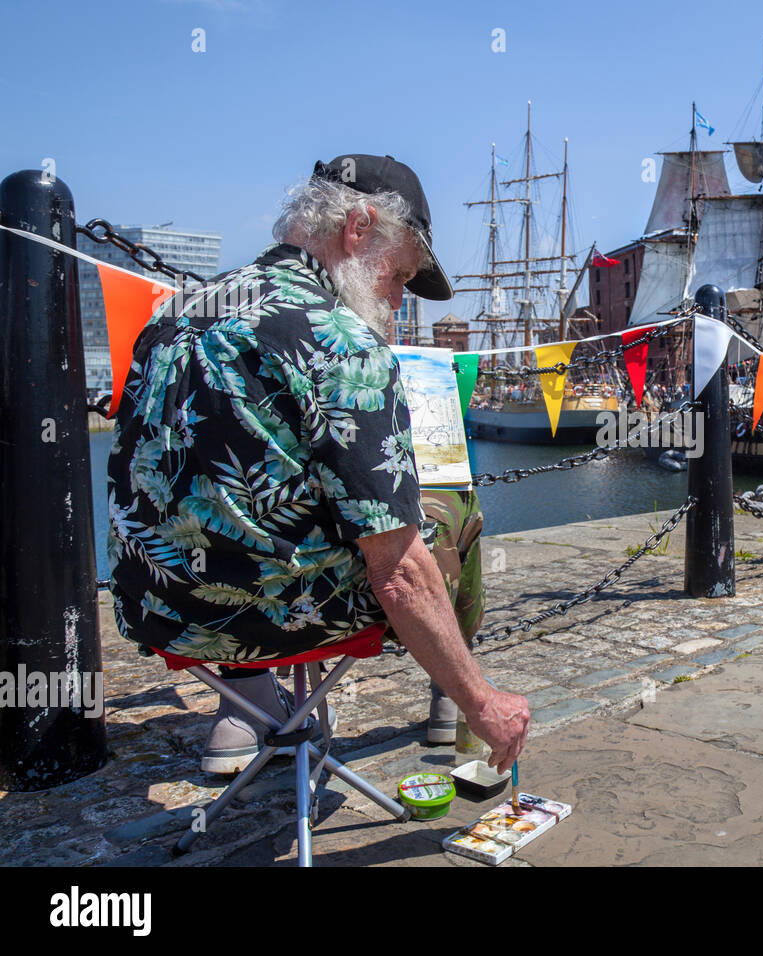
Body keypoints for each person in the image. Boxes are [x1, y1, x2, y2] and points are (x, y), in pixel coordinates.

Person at [106, 154, 529, 775]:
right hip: (281, 615)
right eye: (399, 274)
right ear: (357, 228)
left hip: (158, 606)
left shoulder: (173, 314)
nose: (398, 299)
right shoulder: (342, 342)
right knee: (453, 510)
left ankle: (245, 706)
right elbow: (398, 574)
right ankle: (455, 707)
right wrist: (487, 699)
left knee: (245, 510)